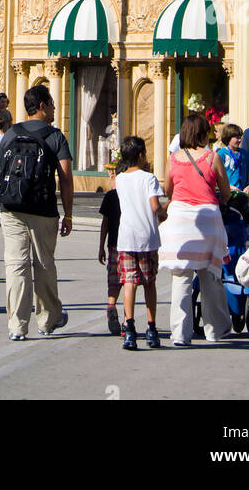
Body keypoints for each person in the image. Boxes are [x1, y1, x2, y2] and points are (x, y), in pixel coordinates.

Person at [0, 83, 73, 341]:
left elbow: (1, 169)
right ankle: (48, 320)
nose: (54, 108)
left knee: (16, 266)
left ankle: (17, 326)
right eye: (51, 104)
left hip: (11, 208)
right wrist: (68, 213)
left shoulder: (11, 134)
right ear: (42, 106)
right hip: (43, 209)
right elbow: (66, 178)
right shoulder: (55, 137)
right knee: (43, 264)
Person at [158, 112, 232, 347]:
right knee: (210, 275)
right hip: (208, 219)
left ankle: (180, 333)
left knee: (181, 277)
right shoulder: (213, 157)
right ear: (203, 134)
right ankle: (215, 330)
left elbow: (168, 191)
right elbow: (226, 192)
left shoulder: (173, 159)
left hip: (179, 220)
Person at [114, 137, 165, 350]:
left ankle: (130, 328)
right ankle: (151, 328)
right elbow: (155, 207)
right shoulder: (149, 178)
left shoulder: (119, 179)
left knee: (129, 282)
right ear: (142, 155)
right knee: (149, 282)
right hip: (147, 238)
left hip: (126, 237)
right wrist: (165, 211)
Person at [97, 162, 126, 335]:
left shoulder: (110, 196)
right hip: (128, 243)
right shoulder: (131, 195)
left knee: (113, 279)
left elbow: (105, 223)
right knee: (128, 281)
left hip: (113, 244)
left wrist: (101, 247)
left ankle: (111, 305)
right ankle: (127, 320)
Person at [216, 124, 249, 191]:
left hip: (243, 192)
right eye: (237, 138)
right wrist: (230, 187)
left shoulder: (244, 153)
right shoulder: (221, 154)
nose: (240, 140)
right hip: (227, 192)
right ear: (228, 138)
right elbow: (217, 176)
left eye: (240, 137)